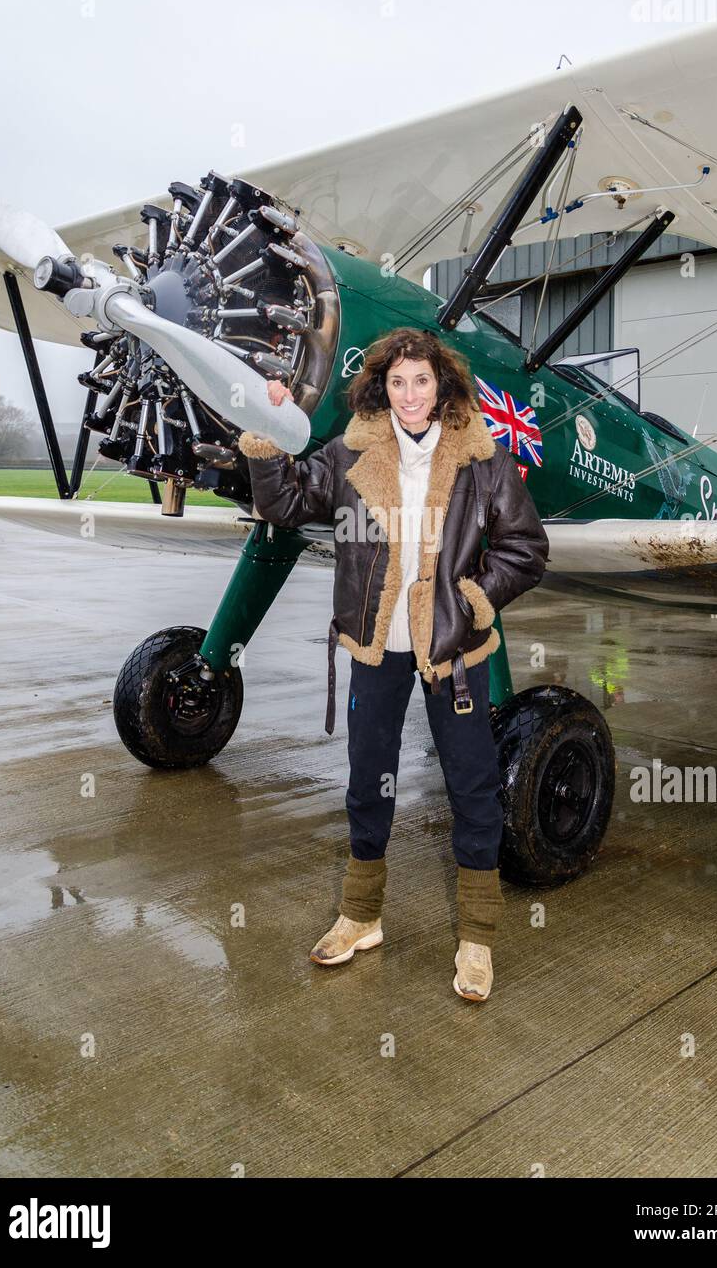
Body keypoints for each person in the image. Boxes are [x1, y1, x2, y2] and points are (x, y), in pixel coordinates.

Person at [237, 327, 549, 1002]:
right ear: (384, 387)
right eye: (399, 382)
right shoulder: (352, 452)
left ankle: (476, 939)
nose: (411, 395)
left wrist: (473, 599)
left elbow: (526, 548)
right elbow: (285, 504)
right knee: (366, 781)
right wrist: (265, 435)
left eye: (423, 381)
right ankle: (361, 915)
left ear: (443, 387)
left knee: (472, 786)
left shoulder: (480, 459)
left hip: (452, 650)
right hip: (375, 648)